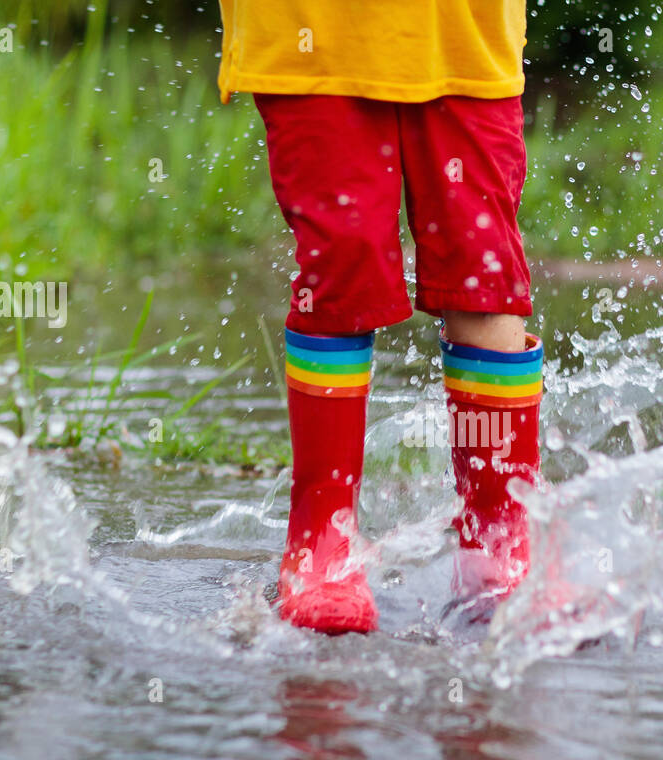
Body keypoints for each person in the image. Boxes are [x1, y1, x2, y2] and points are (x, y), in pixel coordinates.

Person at [218, 0, 543, 634]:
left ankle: (500, 540)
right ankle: (322, 537)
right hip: (310, 35)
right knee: (342, 261)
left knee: (485, 275)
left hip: (464, 36)